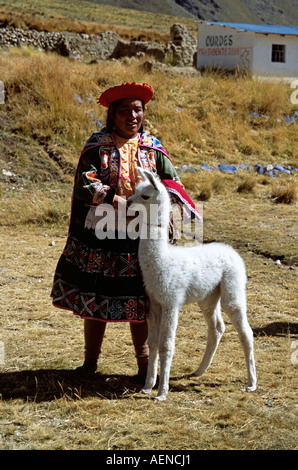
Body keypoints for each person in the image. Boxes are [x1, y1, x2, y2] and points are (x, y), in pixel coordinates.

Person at [51, 82, 200, 379]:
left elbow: (172, 183)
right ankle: (90, 363)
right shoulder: (98, 145)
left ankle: (145, 368)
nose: (132, 116)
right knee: (96, 295)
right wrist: (113, 198)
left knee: (141, 300)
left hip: (142, 238)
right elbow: (84, 182)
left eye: (138, 110)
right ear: (113, 115)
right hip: (102, 235)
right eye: (125, 111)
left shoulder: (153, 148)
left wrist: (169, 202)